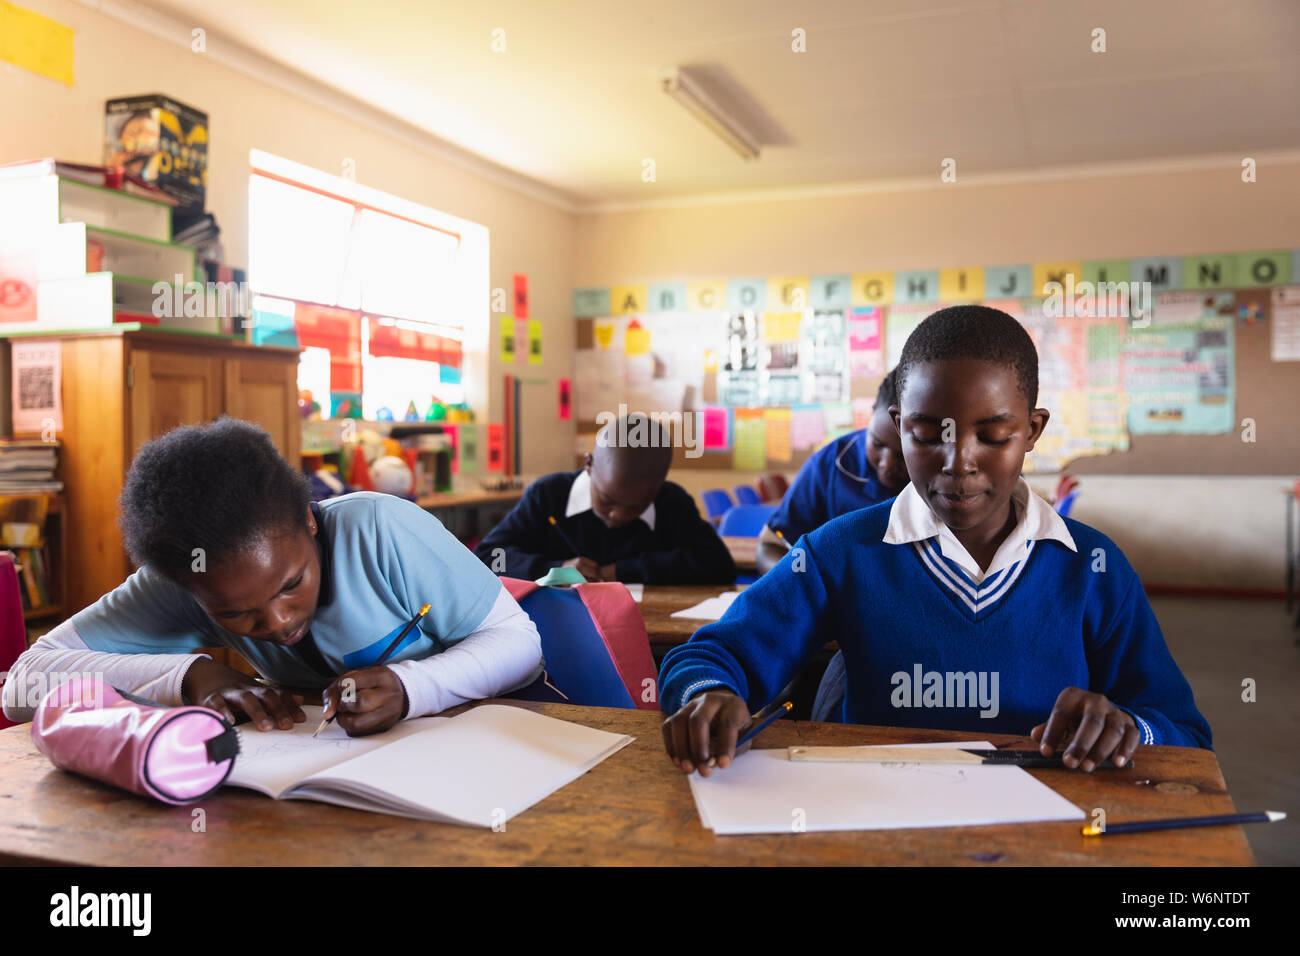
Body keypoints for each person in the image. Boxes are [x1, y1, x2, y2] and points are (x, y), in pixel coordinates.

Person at [659, 305, 1211, 775]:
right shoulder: (842, 552)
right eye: (926, 435)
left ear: (1033, 431)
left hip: (1046, 826)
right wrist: (709, 695)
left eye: (993, 435)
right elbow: (712, 653)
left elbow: (1181, 729)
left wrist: (1127, 730)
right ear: (898, 427)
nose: (958, 463)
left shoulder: (1092, 568)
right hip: (878, 818)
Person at [2, 418, 543, 737]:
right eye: (235, 614)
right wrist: (189, 677)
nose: (279, 621)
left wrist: (411, 686)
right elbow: (23, 683)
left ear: (309, 519)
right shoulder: (184, 576)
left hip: (486, 744)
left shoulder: (379, 529)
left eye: (291, 584)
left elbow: (519, 644)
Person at [474, 414, 735, 584]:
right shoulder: (549, 495)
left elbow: (719, 565)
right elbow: (489, 556)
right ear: (589, 464)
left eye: (635, 507)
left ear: (659, 485)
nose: (617, 515)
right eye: (608, 500)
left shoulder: (671, 502)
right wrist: (555, 569)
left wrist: (624, 571)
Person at [757, 369, 909, 573]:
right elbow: (772, 546)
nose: (887, 464)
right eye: (877, 443)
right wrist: (797, 584)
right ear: (871, 413)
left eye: (902, 455)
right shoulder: (829, 465)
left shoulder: (942, 475)